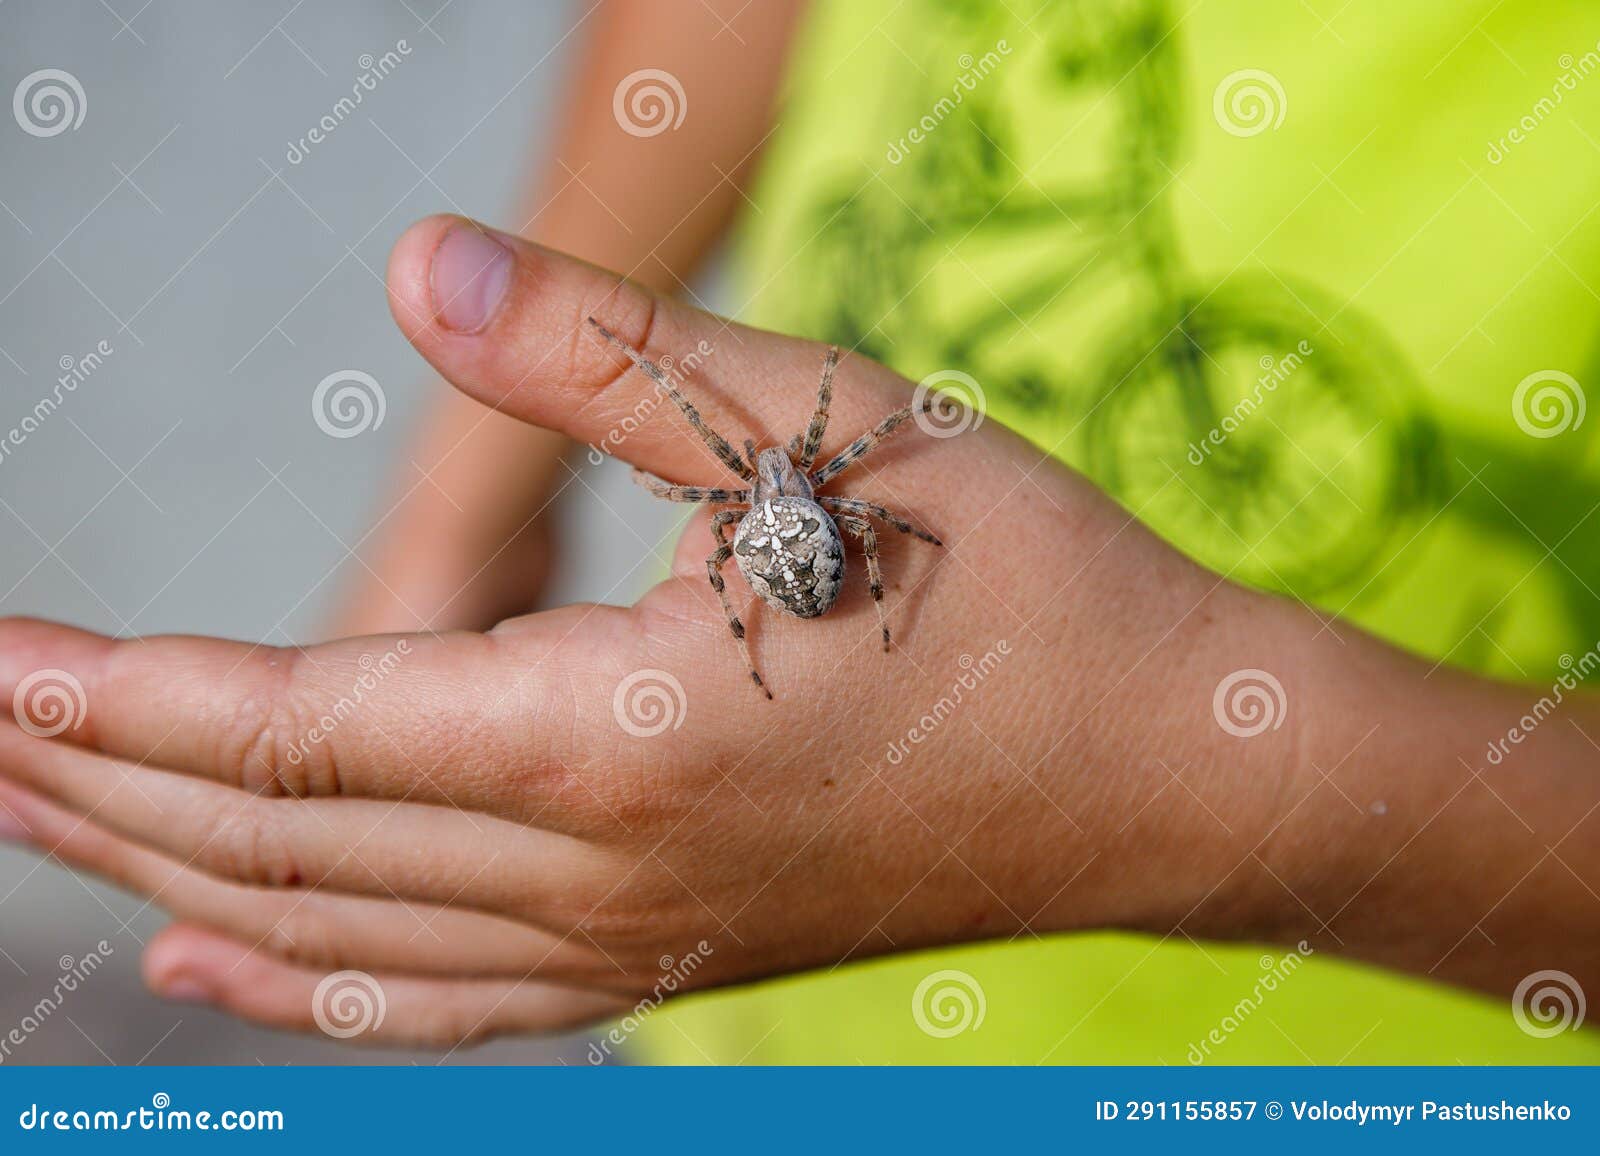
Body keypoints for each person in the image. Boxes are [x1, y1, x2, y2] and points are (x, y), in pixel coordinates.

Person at [1, 0, 1598, 1062]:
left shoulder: (803, 492)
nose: (775, 490)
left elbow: (831, 500)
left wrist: (1178, 781)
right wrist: (474, 485)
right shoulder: (780, 508)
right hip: (737, 1013)